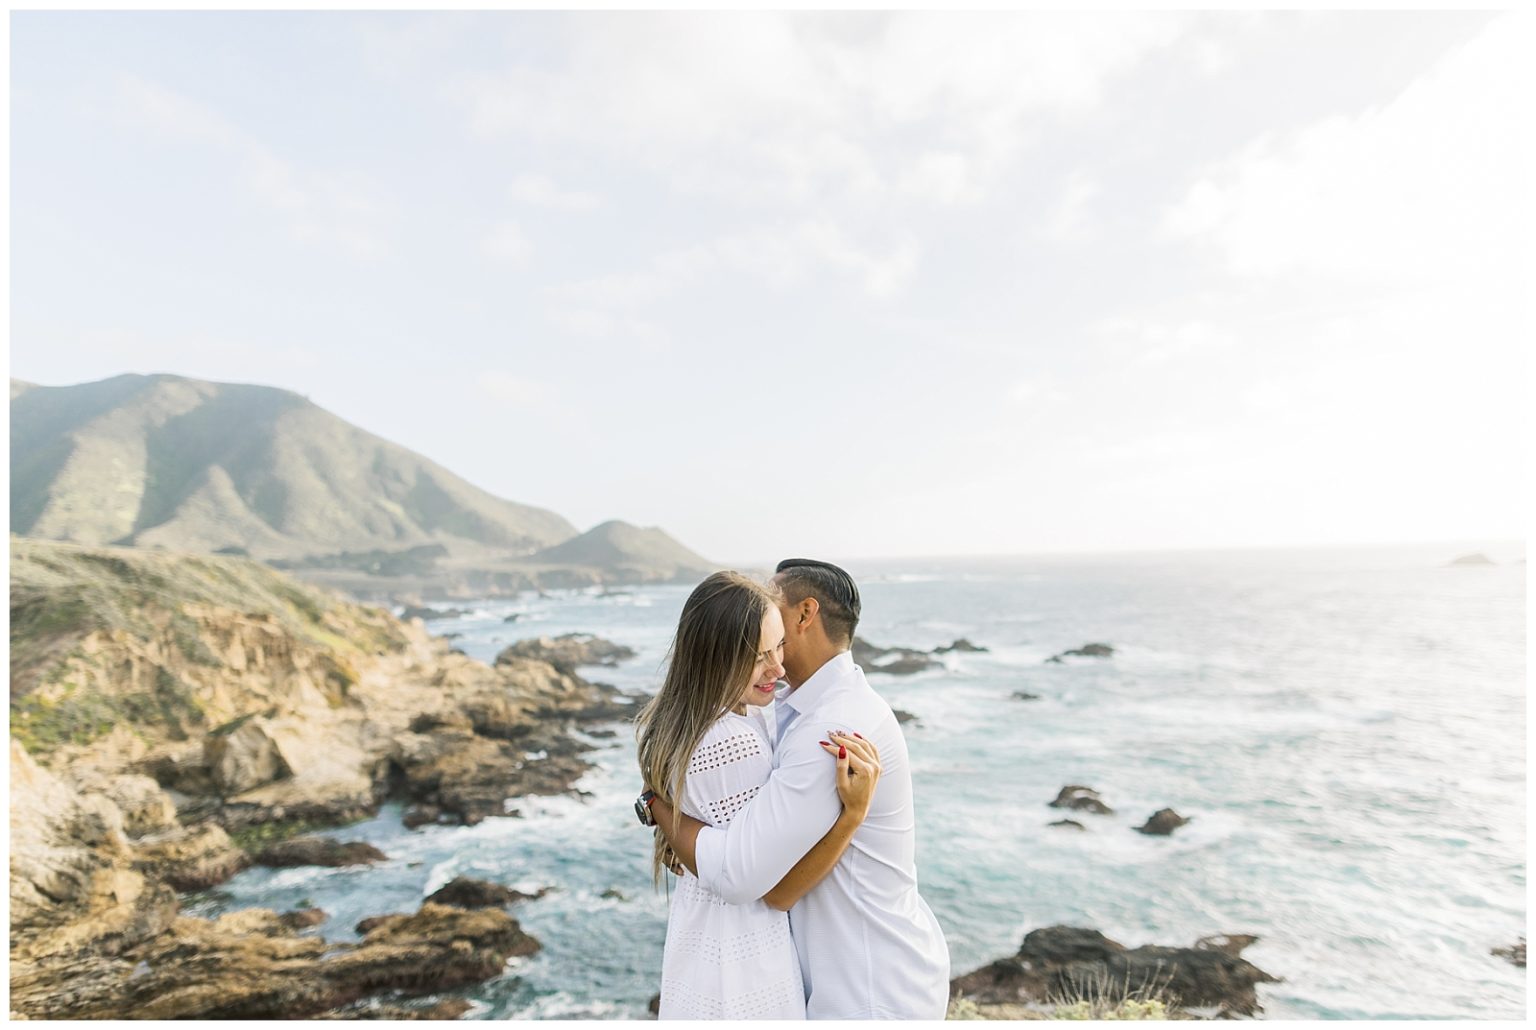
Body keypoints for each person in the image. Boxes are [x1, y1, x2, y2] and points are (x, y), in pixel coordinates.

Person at [647, 559, 950, 1020]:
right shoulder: (787, 705)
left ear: (805, 614)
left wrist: (660, 810)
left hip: (866, 987)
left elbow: (745, 878)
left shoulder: (831, 727)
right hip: (840, 977)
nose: (761, 607)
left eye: (772, 599)